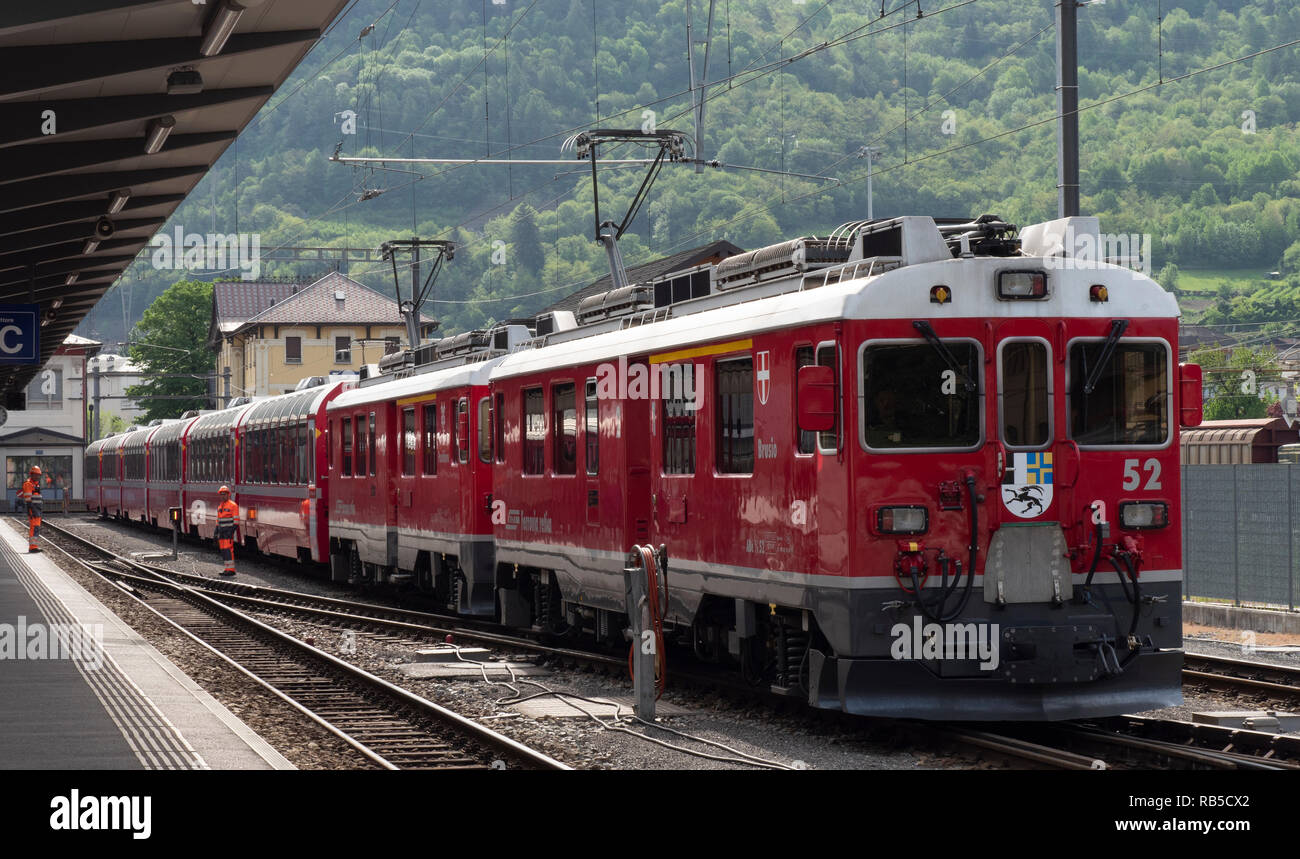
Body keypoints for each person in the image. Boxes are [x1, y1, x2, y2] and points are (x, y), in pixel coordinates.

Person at [215, 486, 239, 576]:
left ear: (228, 494)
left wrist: (231, 531)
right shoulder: (220, 506)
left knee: (228, 550)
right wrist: (216, 532)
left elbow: (236, 521)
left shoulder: (233, 505)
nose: (222, 496)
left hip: (228, 532)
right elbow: (218, 520)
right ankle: (227, 568)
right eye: (221, 495)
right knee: (224, 551)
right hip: (221, 532)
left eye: (224, 494)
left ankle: (231, 569)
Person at [20, 466, 43, 552]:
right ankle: (32, 547)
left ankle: (34, 546)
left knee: (36, 527)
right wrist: (31, 510)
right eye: (36, 475)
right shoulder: (28, 484)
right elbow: (28, 499)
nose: (37, 477)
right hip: (33, 509)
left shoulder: (36, 484)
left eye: (38, 475)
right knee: (34, 527)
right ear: (32, 474)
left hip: (37, 509)